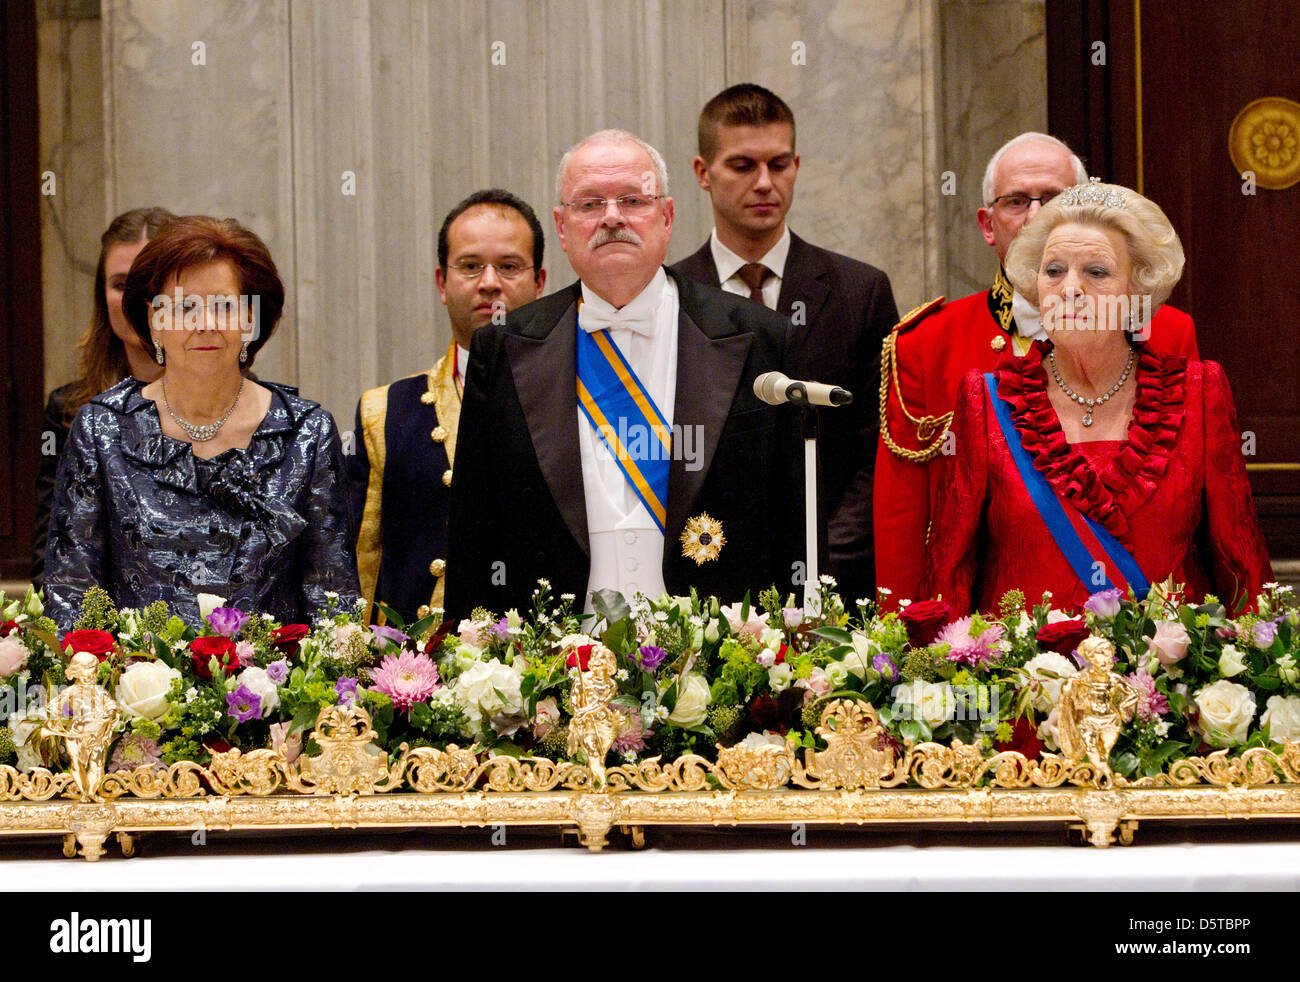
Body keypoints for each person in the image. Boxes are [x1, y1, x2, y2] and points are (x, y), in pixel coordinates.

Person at [446, 129, 803, 618]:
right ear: (562, 227)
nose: (612, 217)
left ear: (668, 216)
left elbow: (791, 523)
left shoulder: (759, 338)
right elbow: (473, 531)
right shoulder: (503, 348)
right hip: (548, 660)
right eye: (589, 204)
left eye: (633, 200)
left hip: (720, 660)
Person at [875, 133, 1200, 606]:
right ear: (988, 224)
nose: (1034, 217)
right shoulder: (926, 343)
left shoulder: (1166, 332)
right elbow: (901, 521)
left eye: (1053, 200)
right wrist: (908, 642)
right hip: (998, 632)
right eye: (1015, 202)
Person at [921, 180, 1271, 615]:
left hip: (1168, 679)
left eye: (1096, 272)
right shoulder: (987, 401)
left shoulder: (1200, 392)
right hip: (1021, 679)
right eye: (1054, 271)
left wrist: (1251, 670)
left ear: (1136, 291)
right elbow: (949, 576)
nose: (1070, 288)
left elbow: (1242, 567)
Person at [44, 216, 360, 630]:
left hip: (275, 689)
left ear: (251, 320)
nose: (204, 323)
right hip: (131, 687)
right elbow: (72, 596)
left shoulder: (307, 431)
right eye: (183, 307)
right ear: (155, 321)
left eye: (224, 306)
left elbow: (333, 604)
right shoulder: (102, 429)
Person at [673, 84, 898, 605]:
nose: (764, 183)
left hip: (835, 577)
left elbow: (879, 450)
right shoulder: (669, 296)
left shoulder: (859, 291)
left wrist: (822, 564)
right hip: (698, 578)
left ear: (796, 163)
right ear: (703, 173)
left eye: (779, 164)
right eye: (742, 166)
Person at [349, 189, 547, 624]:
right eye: (470, 266)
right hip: (410, 677)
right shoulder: (383, 412)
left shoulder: (574, 402)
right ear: (442, 282)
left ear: (540, 282)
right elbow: (362, 568)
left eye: (509, 266)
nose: (489, 282)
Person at [32, 207, 176, 589]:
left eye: (151, 284)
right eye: (120, 284)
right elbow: (50, 554)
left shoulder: (242, 402)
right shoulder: (69, 410)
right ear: (103, 296)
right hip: (100, 633)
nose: (135, 300)